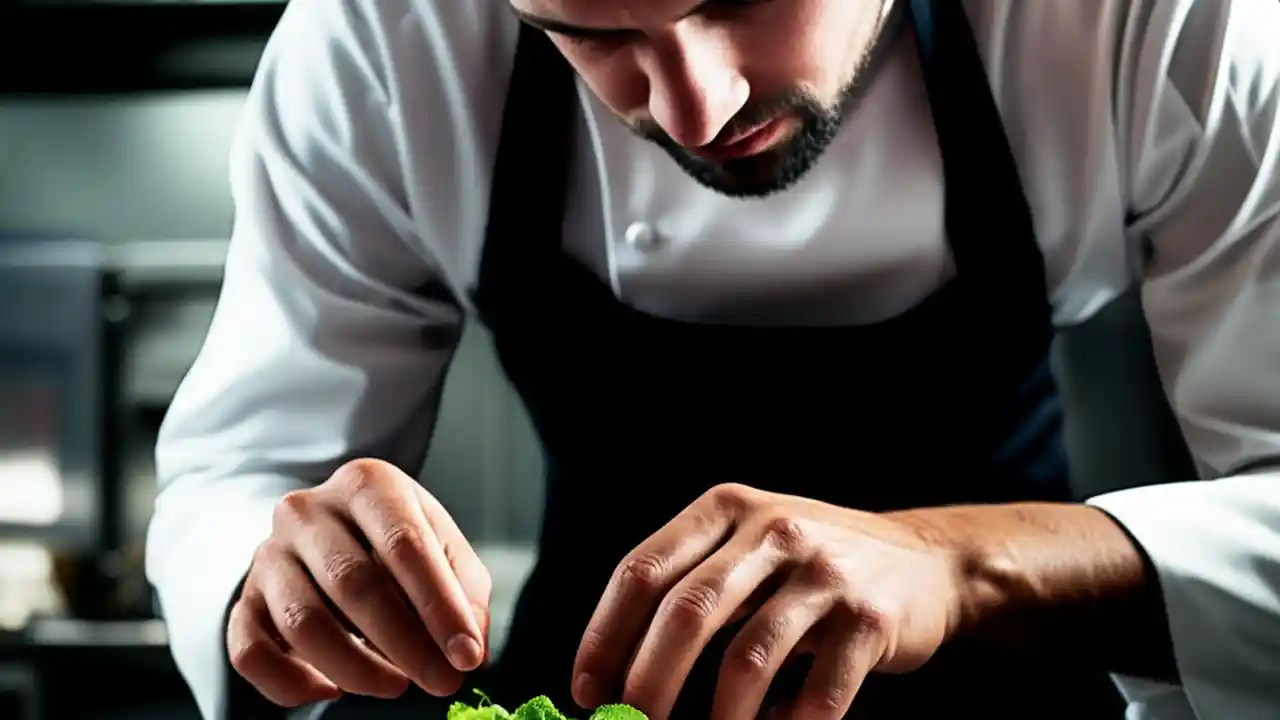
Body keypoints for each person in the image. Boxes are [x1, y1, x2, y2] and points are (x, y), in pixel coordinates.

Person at [145, 0, 1280, 718]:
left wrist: (958, 562)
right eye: (589, 32)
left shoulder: (1150, 22)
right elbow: (241, 480)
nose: (694, 109)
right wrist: (280, 574)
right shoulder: (382, 42)